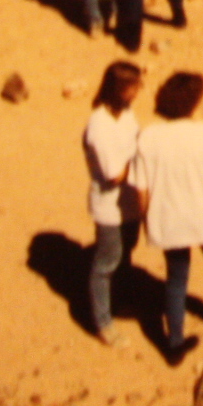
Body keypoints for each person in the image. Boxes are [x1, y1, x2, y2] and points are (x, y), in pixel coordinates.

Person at [129, 71, 203, 363]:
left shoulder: (148, 136)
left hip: (169, 219)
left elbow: (140, 189)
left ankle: (175, 341)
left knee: (176, 278)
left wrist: (146, 219)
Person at [82, 59, 143, 346]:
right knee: (106, 263)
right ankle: (103, 321)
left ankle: (120, 301)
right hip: (110, 206)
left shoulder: (126, 114)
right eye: (134, 87)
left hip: (130, 202)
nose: (139, 91)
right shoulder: (99, 126)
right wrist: (146, 164)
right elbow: (113, 173)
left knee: (125, 253)